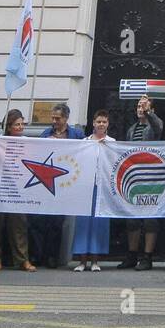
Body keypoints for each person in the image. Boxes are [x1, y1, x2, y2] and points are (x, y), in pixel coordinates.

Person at [30, 103, 83, 270]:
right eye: (52, 118)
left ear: (66, 118)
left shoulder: (76, 134)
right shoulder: (46, 133)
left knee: (57, 222)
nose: (54, 121)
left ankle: (52, 256)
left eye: (57, 118)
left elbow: (83, 153)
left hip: (65, 182)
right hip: (46, 181)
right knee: (39, 220)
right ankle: (37, 255)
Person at [0, 110, 35, 273]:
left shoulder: (27, 141)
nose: (20, 127)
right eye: (16, 124)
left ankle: (22, 260)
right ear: (8, 127)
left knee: (19, 225)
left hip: (19, 189)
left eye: (22, 124)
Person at [118, 95, 163, 270]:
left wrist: (148, 112)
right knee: (132, 220)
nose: (140, 108)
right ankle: (132, 254)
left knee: (150, 220)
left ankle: (147, 257)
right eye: (138, 105)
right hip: (134, 178)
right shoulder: (131, 129)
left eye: (143, 106)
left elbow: (158, 127)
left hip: (151, 177)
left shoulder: (153, 126)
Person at [73, 111, 114, 272]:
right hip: (86, 187)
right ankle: (82, 261)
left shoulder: (112, 142)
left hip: (102, 188)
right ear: (93, 123)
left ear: (108, 123)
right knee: (83, 223)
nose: (101, 124)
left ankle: (95, 261)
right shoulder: (85, 142)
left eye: (104, 122)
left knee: (99, 224)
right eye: (98, 121)